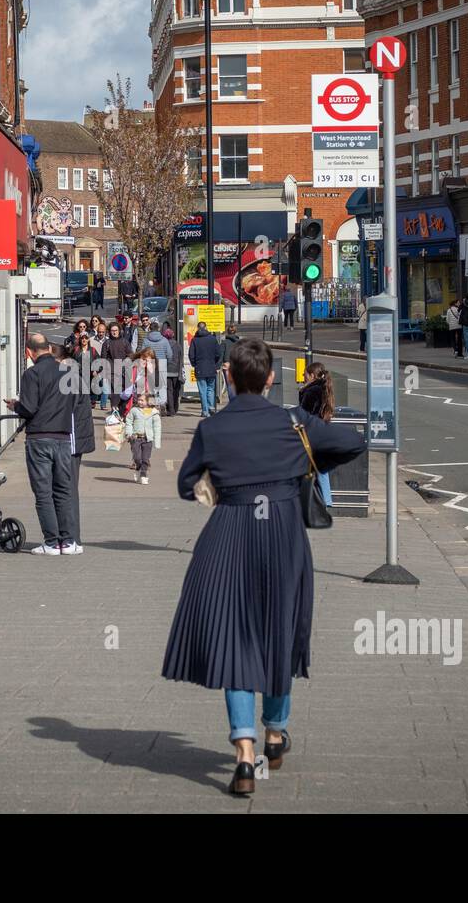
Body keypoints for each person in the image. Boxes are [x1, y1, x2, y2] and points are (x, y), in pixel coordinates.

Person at [163, 339, 366, 796]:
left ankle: (244, 755)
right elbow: (354, 441)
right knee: (279, 633)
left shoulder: (213, 427)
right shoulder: (294, 422)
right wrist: (305, 467)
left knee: (235, 638)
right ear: (272, 379)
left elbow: (184, 484)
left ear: (229, 378)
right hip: (282, 534)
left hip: (229, 534)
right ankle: (275, 733)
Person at [6, 333, 78, 556]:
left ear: (29, 352)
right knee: (64, 490)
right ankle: (68, 542)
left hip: (39, 438)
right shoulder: (68, 373)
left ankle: (50, 542)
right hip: (64, 438)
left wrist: (15, 406)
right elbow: (74, 402)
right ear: (48, 348)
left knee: (44, 492)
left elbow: (29, 408)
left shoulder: (31, 374)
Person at [56, 343, 96, 553]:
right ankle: (69, 538)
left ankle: (71, 539)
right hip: (70, 441)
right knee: (66, 490)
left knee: (68, 490)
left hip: (70, 442)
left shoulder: (69, 379)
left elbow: (69, 415)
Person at [297, 363, 336, 507]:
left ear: (312, 376)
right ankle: (325, 500)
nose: (303, 377)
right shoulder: (323, 388)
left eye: (305, 374)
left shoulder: (311, 391)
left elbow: (305, 414)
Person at [125, 390, 162, 485]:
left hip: (147, 439)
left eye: (142, 400)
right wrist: (129, 433)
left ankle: (143, 474)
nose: (140, 402)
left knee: (145, 458)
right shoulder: (134, 410)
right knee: (137, 458)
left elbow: (157, 428)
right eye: (139, 400)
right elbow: (129, 421)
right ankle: (138, 468)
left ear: (148, 402)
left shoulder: (154, 413)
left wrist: (157, 442)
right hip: (135, 438)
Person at [188, 320, 223, 418]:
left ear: (198, 328)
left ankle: (205, 411)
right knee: (210, 388)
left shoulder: (195, 340)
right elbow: (218, 354)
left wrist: (195, 364)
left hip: (200, 368)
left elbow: (191, 355)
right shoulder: (212, 339)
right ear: (206, 327)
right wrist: (215, 365)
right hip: (211, 368)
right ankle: (211, 407)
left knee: (202, 390)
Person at [143, 321, 173, 408]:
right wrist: (167, 362)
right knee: (163, 385)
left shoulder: (146, 340)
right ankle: (162, 402)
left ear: (150, 329)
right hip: (162, 363)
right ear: (158, 329)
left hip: (150, 364)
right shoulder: (164, 340)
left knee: (152, 385)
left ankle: (155, 403)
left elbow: (143, 353)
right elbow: (169, 354)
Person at [163, 324, 183, 416]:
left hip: (166, 370)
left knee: (169, 390)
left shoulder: (164, 345)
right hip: (176, 370)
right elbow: (180, 358)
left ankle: (170, 410)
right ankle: (175, 407)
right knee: (176, 390)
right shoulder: (177, 345)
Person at [218, 327, 241, 404]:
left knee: (230, 386)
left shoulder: (224, 342)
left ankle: (233, 403)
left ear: (228, 332)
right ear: (235, 332)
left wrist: (218, 366)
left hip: (227, 365)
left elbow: (221, 355)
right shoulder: (240, 343)